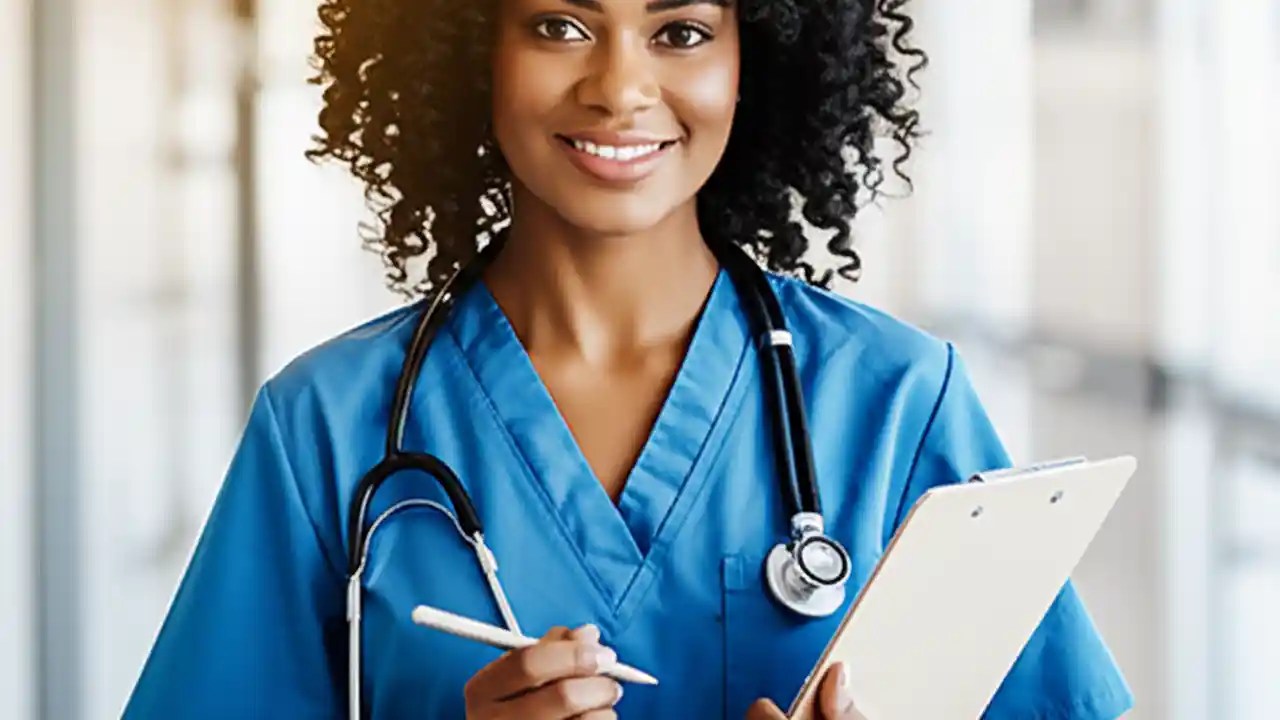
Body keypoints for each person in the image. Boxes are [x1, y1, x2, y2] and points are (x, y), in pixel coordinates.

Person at [125, 0, 1135, 718]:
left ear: (755, 62)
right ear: (473, 48)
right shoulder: (328, 426)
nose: (618, 86)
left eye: (680, 32)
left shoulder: (894, 402)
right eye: (558, 25)